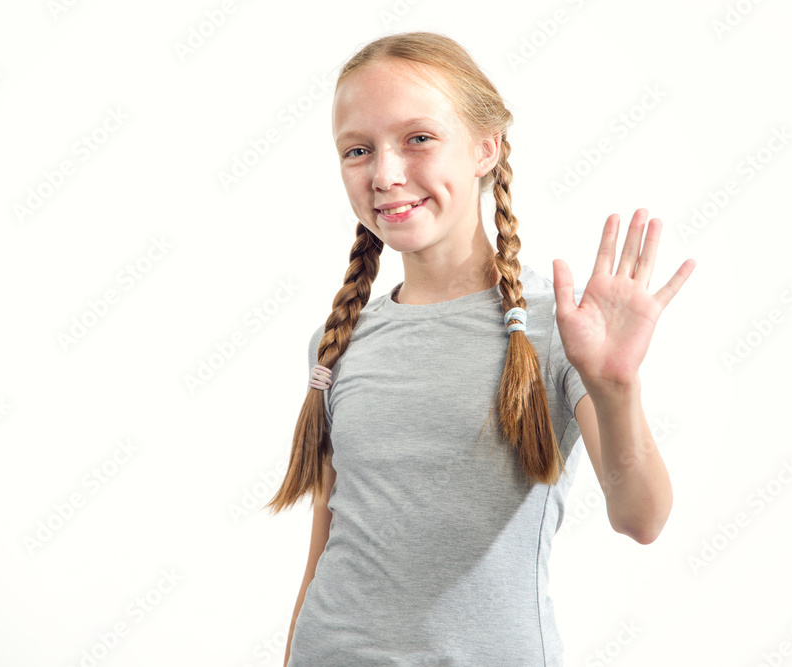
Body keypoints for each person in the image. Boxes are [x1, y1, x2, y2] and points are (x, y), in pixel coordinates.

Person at [264, 31, 695, 667]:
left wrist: (616, 388)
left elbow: (642, 518)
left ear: (485, 148)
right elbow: (326, 544)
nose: (385, 174)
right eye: (358, 150)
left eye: (418, 138)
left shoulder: (558, 330)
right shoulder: (341, 342)